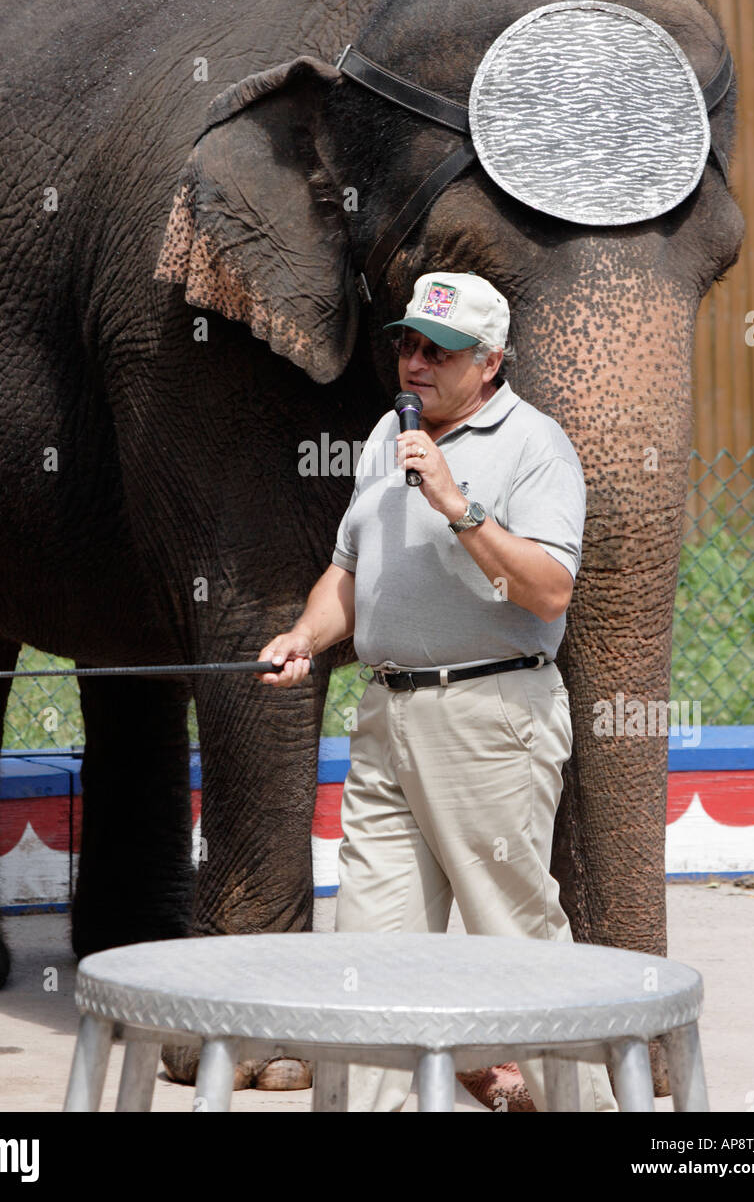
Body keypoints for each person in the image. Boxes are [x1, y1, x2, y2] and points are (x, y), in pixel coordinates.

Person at [257, 270, 617, 1113]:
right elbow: (350, 573)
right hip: (386, 720)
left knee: (515, 937)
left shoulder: (536, 446)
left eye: (437, 351)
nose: (414, 363)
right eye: (407, 344)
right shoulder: (389, 435)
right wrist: (304, 637)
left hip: (490, 722)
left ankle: (590, 1111)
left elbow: (549, 590)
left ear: (489, 363)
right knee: (373, 954)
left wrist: (457, 503)